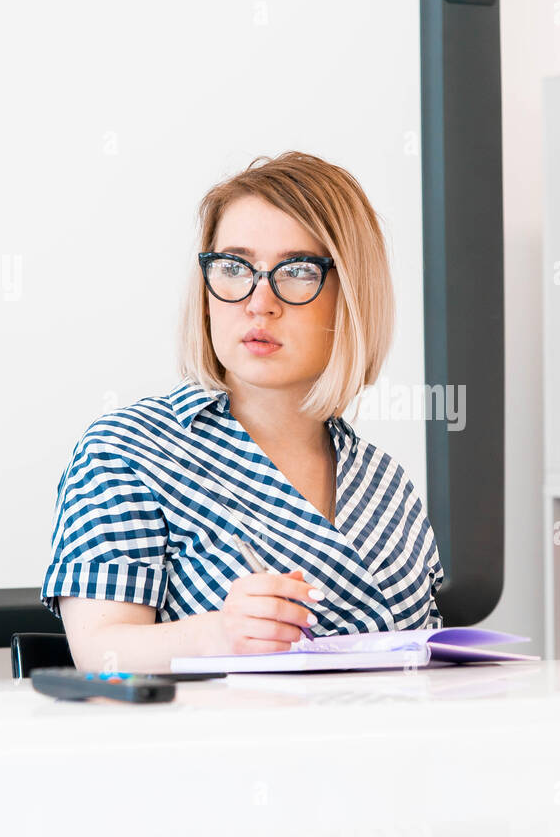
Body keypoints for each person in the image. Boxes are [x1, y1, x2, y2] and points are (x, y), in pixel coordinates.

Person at [39, 151, 444, 672]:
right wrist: (218, 634)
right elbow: (100, 651)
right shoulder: (127, 450)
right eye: (234, 267)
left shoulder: (388, 485)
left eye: (297, 271)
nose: (259, 301)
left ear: (351, 293)